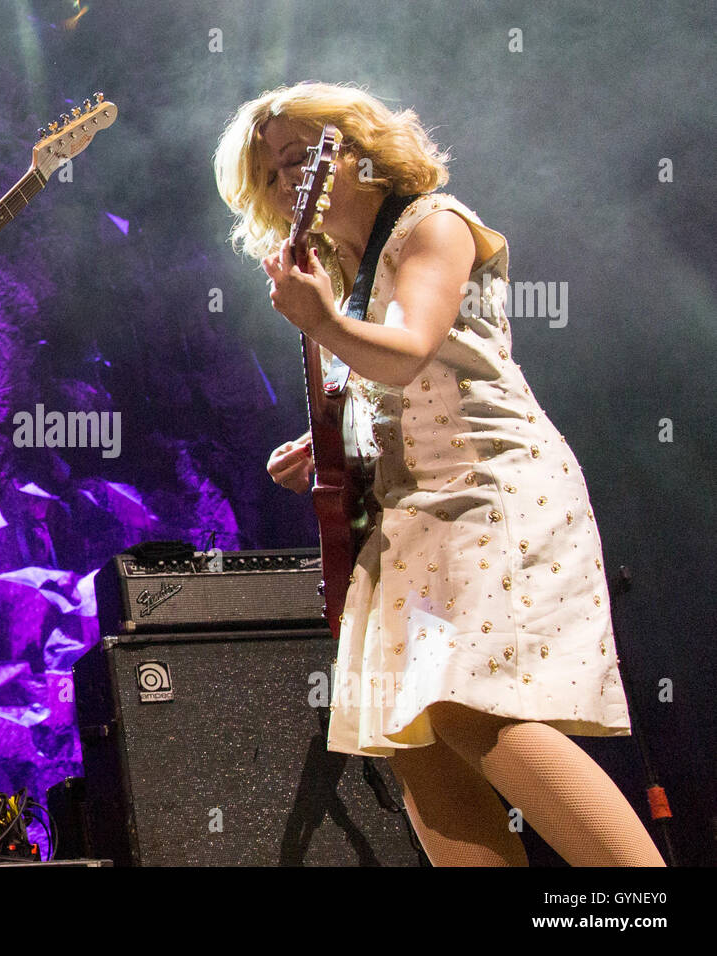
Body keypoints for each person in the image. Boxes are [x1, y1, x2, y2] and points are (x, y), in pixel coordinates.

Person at [213, 82, 664, 866]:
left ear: (354, 149)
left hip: (489, 491)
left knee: (466, 712)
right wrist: (325, 448)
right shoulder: (343, 272)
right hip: (407, 516)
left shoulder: (434, 225)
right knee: (412, 740)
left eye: (299, 159)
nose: (289, 182)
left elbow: (413, 346)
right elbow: (388, 391)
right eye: (272, 174)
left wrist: (322, 322)